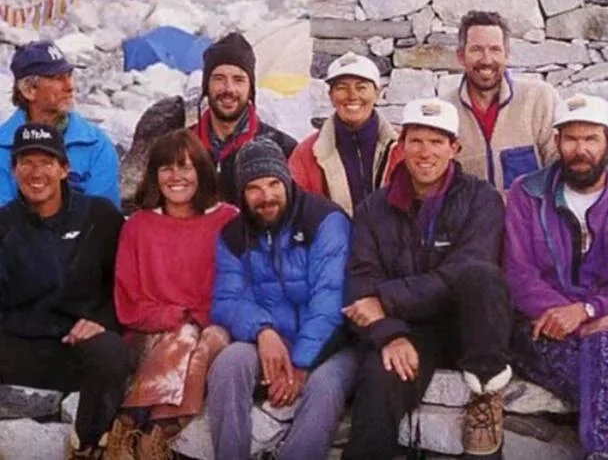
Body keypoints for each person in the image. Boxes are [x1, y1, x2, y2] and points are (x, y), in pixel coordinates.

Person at [342, 98, 512, 459]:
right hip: (410, 329)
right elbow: (361, 282)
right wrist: (389, 334)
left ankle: (486, 392)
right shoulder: (373, 209)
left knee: (482, 276)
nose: (425, 152)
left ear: (455, 148)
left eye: (436, 142)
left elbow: (466, 270)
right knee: (379, 381)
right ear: (401, 146)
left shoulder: (482, 199)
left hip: (470, 326)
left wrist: (386, 299)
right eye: (416, 141)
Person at [505, 94, 608, 459]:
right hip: (541, 329)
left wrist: (588, 311)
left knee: (607, 348)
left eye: (591, 139)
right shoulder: (526, 195)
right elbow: (519, 276)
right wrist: (573, 319)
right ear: (556, 141)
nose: (580, 150)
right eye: (571, 139)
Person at [206, 137, 356, 460]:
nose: (266, 197)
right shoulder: (233, 235)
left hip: (335, 343)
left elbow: (330, 300)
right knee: (229, 363)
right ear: (241, 193)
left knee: (324, 385)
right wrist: (262, 330)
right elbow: (226, 300)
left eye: (274, 184)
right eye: (254, 188)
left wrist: (301, 365)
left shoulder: (324, 220)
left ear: (287, 180)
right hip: (275, 338)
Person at [0, 123, 130, 460]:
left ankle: (87, 444)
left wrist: (102, 320)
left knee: (112, 352)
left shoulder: (99, 217)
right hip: (16, 346)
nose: (36, 173)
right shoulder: (4, 224)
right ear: (13, 171)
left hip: (74, 347)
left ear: (64, 168)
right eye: (26, 163)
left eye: (46, 162)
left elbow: (124, 284)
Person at [109, 129, 238, 459]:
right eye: (166, 168)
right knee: (184, 336)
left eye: (185, 167)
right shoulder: (138, 226)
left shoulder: (227, 220)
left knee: (201, 340)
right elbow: (127, 300)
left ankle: (138, 424)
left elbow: (239, 286)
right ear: (154, 176)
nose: (176, 176)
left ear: (202, 171)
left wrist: (195, 319)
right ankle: (148, 430)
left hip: (212, 326)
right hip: (150, 332)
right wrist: (173, 317)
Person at [444, 10, 559, 190]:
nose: (486, 59)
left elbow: (559, 168)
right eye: (476, 50)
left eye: (495, 49)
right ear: (460, 56)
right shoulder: (446, 111)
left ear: (506, 55)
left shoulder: (538, 99)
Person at [0, 41, 120, 208]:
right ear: (29, 90)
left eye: (69, 75)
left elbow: (104, 214)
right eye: (57, 78)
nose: (69, 86)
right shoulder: (3, 147)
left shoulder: (96, 145)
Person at [288, 52, 402, 215]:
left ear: (377, 93)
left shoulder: (403, 147)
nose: (352, 96)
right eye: (342, 88)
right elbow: (297, 212)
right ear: (330, 96)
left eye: (361, 87)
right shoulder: (305, 154)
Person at [190, 32, 297, 204]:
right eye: (219, 79)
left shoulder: (284, 149)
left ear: (250, 89)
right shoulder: (183, 147)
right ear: (206, 86)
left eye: (238, 80)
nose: (229, 89)